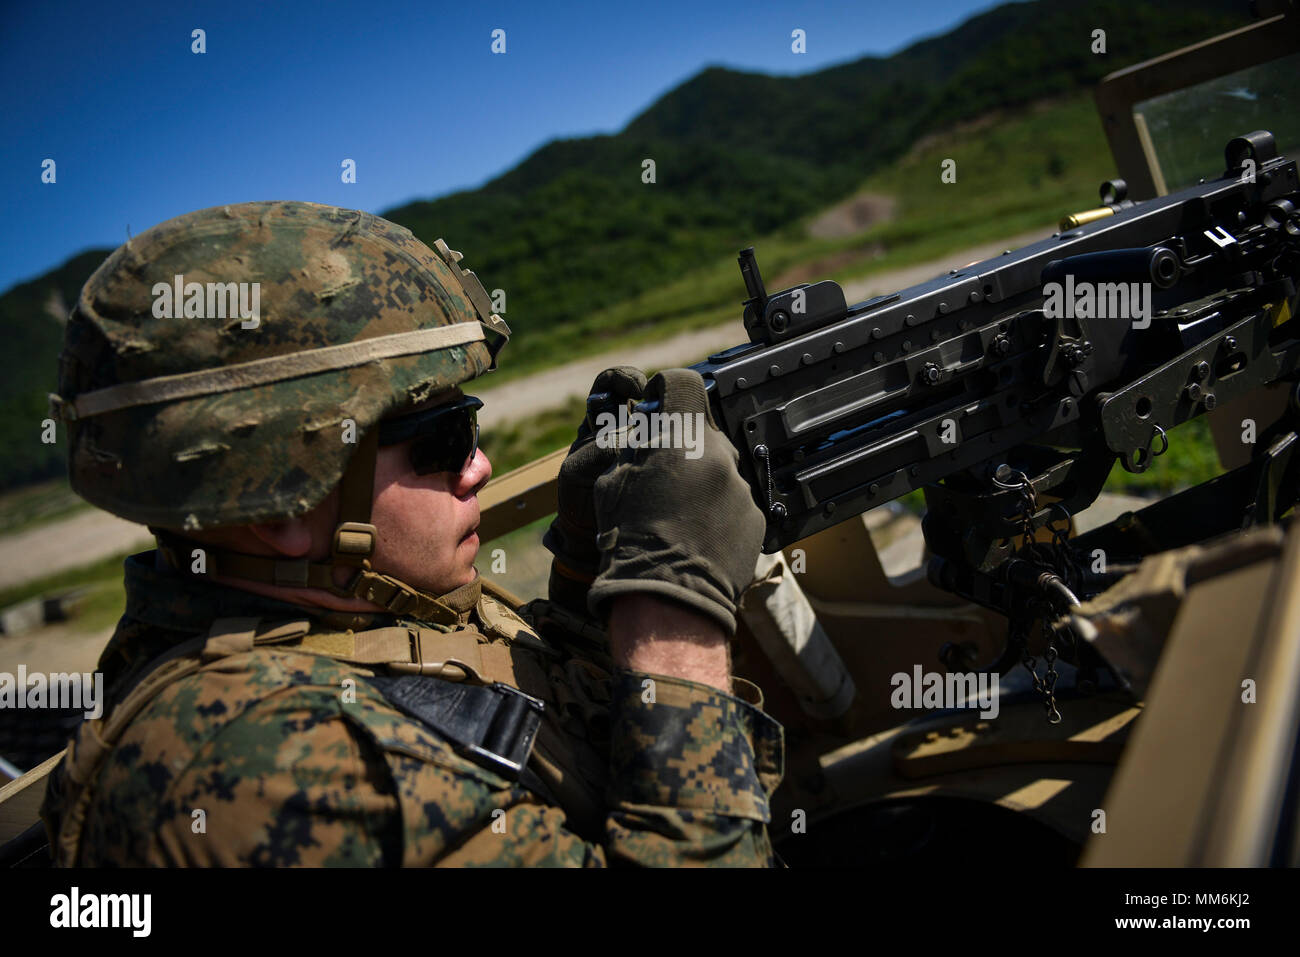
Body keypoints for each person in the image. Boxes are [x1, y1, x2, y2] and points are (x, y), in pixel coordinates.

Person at [40, 200, 781, 866]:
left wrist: (592, 563)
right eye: (443, 438)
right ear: (283, 505)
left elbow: (553, 745)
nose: (479, 466)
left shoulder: (351, 613)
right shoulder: (266, 772)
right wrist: (675, 620)